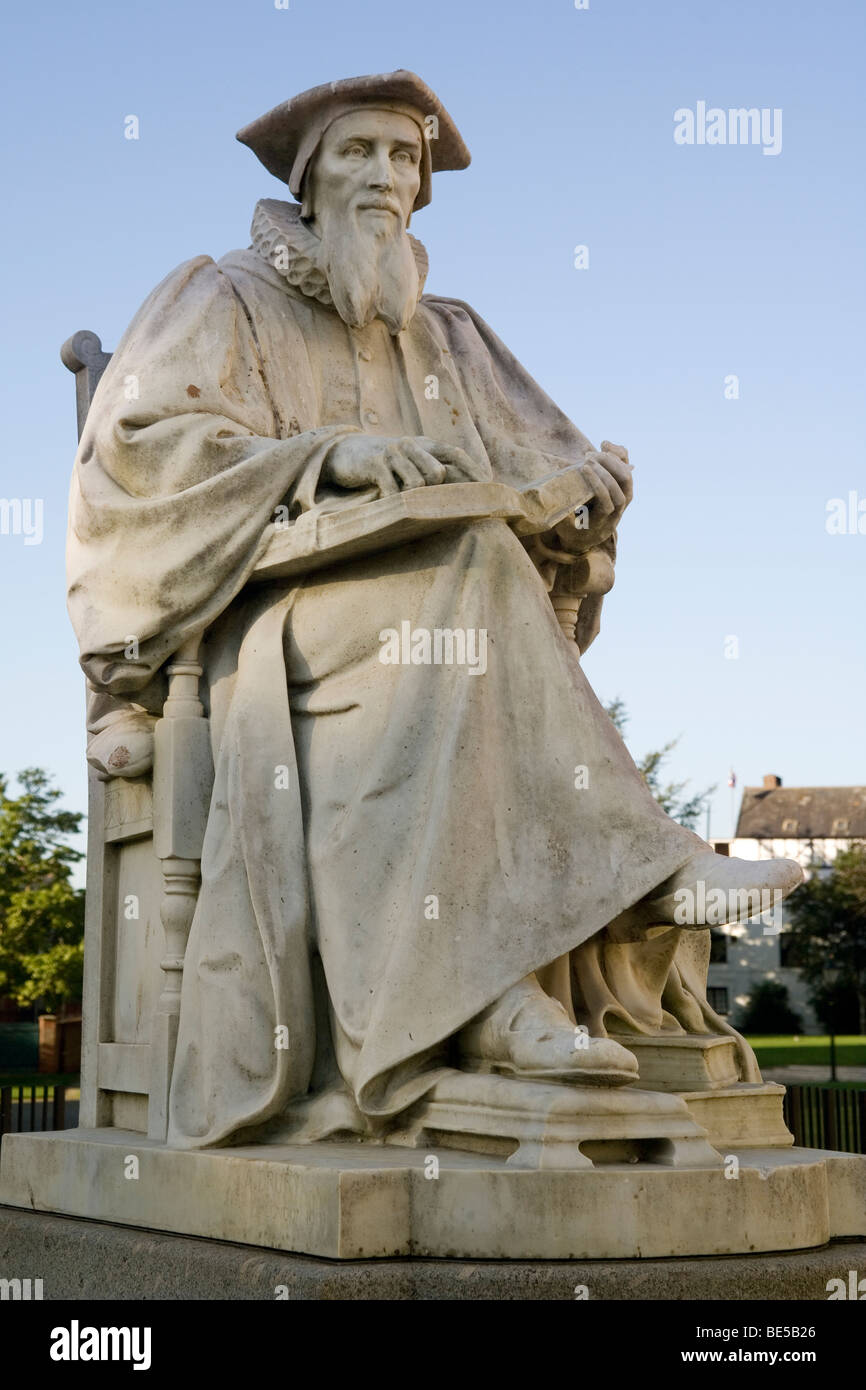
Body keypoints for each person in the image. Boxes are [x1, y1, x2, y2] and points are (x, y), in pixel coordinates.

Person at [67, 71, 802, 1148]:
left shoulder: (449, 334)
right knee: (468, 569)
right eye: (358, 151)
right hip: (263, 630)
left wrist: (584, 494)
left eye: (402, 158)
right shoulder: (220, 298)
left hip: (441, 625)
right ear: (309, 174)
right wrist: (326, 455)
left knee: (479, 568)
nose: (384, 174)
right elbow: (138, 454)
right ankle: (595, 917)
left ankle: (504, 995)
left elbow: (537, 467)